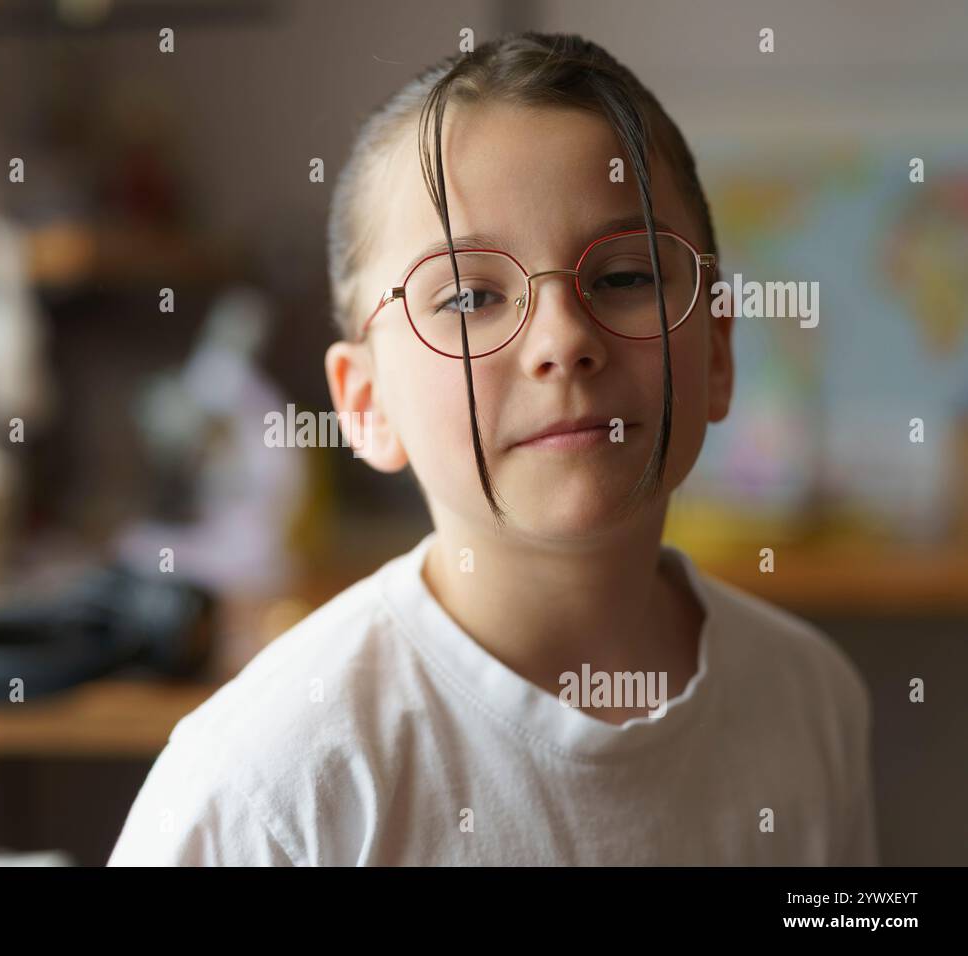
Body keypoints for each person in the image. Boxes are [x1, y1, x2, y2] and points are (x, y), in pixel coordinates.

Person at [107, 31, 879, 866]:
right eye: (470, 294)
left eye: (624, 277)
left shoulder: (811, 700)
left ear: (718, 353)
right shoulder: (271, 784)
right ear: (367, 405)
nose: (563, 339)